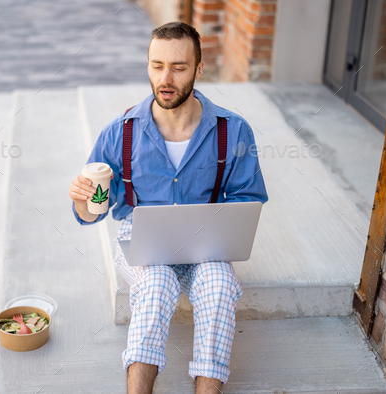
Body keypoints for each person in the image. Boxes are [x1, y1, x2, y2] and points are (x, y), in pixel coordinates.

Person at [68, 21, 268, 394]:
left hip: (206, 240)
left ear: (198, 69)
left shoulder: (233, 130)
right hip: (140, 238)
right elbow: (93, 209)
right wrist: (84, 202)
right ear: (148, 66)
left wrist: (224, 222)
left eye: (178, 67)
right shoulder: (120, 133)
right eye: (157, 65)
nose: (166, 77)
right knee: (157, 284)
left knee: (220, 284)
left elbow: (247, 198)